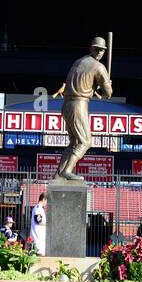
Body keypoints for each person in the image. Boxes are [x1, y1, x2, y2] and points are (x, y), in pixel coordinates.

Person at [53, 36, 112, 181]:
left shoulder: (79, 62)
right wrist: (107, 84)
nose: (99, 53)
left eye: (102, 50)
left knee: (74, 143)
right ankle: (67, 170)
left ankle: (58, 174)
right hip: (78, 105)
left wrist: (96, 86)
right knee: (85, 142)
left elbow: (85, 82)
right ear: (91, 48)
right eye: (97, 49)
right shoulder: (99, 67)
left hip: (67, 104)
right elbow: (108, 94)